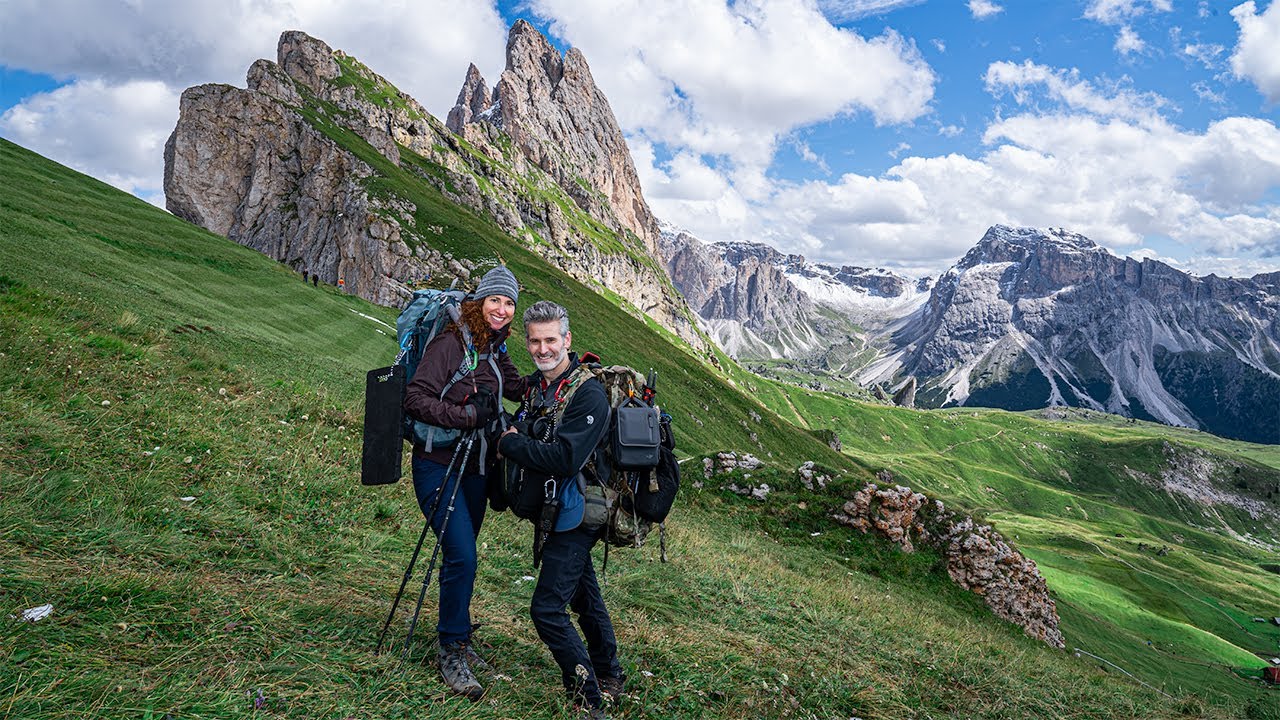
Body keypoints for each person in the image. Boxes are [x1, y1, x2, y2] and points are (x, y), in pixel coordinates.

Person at [403, 265, 526, 700]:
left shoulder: (494, 346)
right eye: (495, 300)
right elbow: (414, 397)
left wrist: (564, 371)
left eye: (509, 303)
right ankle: (451, 649)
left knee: (461, 556)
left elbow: (517, 388)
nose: (502, 309)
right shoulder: (451, 342)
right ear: (479, 301)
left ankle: (456, 633)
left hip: (475, 469)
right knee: (463, 555)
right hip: (438, 465)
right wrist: (465, 415)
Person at [498, 300, 625, 720]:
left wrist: (511, 443)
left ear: (567, 340)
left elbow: (567, 459)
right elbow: (531, 426)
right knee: (584, 594)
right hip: (557, 507)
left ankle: (589, 698)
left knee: (547, 609)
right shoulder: (539, 386)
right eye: (535, 341)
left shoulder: (588, 393)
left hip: (580, 512)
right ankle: (610, 673)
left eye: (551, 340)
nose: (543, 349)